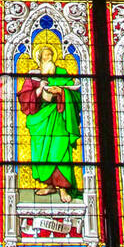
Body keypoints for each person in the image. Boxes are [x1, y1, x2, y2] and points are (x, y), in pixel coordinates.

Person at [18, 45, 81, 203]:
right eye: (46, 55)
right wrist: (39, 90)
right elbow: (24, 98)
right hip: (40, 120)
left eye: (51, 55)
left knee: (60, 152)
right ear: (39, 58)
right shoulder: (33, 76)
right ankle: (49, 185)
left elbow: (76, 94)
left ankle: (63, 189)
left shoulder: (62, 74)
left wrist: (61, 92)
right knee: (42, 154)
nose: (50, 58)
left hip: (58, 117)